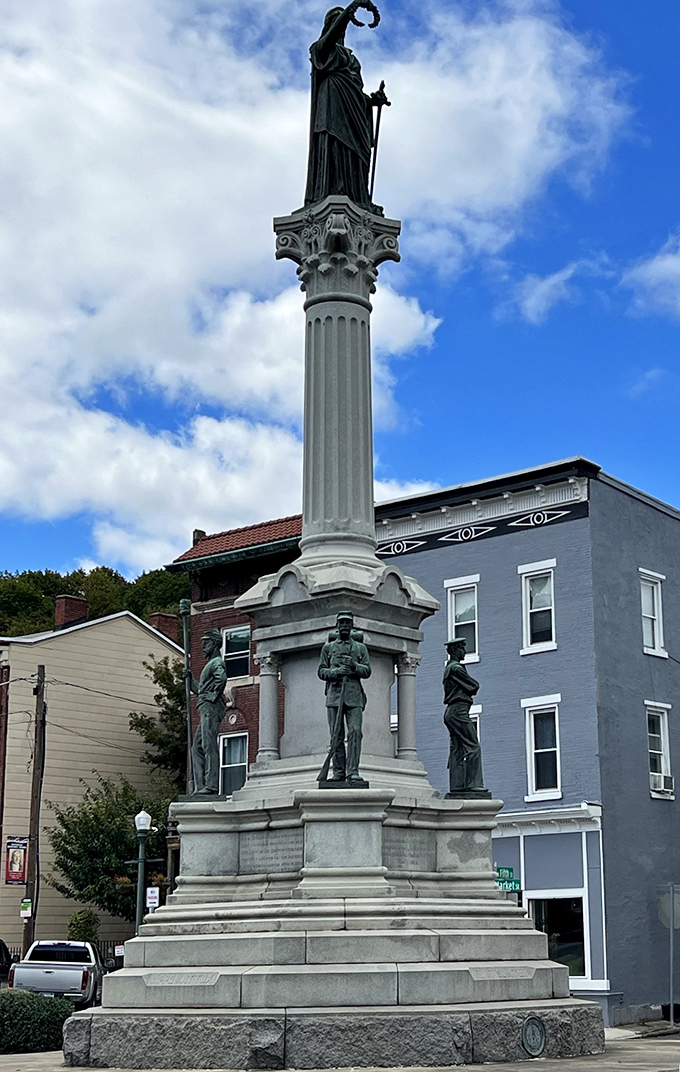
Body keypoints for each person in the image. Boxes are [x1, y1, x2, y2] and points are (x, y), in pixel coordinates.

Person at [305, 2, 389, 209]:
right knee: (336, 144)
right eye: (336, 23)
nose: (341, 28)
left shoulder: (351, 58)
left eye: (342, 23)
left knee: (357, 155)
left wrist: (372, 100)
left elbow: (357, 90)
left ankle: (358, 197)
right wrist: (351, 8)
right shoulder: (320, 50)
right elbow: (330, 39)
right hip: (333, 102)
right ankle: (333, 190)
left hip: (355, 108)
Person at [318, 611, 371, 783]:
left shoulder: (360, 648)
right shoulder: (328, 648)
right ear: (337, 625)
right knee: (336, 735)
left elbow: (367, 670)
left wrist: (354, 666)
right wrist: (336, 672)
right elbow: (321, 671)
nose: (345, 626)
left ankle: (352, 771)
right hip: (334, 696)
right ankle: (338, 771)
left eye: (348, 623)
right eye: (342, 623)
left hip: (354, 696)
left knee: (355, 732)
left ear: (352, 625)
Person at [443, 637, 490, 797]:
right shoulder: (456, 668)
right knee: (473, 746)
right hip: (458, 711)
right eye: (462, 648)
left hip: (454, 712)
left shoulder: (450, 668)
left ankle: (458, 785)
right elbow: (474, 685)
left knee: (457, 748)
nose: (464, 651)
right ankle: (473, 785)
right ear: (456, 650)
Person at [183, 629, 227, 795]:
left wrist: (214, 695)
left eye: (206, 644)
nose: (203, 648)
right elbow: (201, 690)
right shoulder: (210, 664)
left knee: (209, 745)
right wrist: (190, 679)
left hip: (211, 708)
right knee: (197, 747)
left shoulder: (216, 663)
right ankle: (201, 785)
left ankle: (211, 785)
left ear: (214, 643)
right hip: (205, 707)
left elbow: (221, 678)